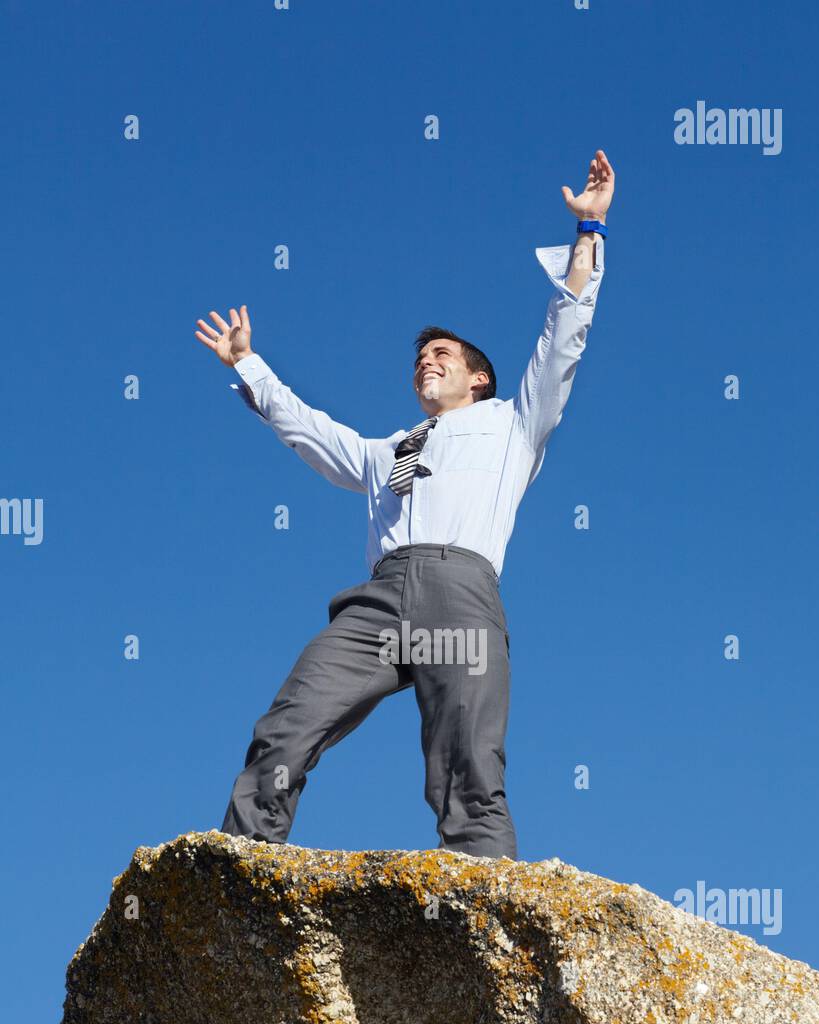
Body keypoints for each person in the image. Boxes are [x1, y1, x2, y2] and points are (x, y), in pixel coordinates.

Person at [194, 149, 615, 860]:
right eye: (421, 357)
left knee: (467, 764)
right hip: (380, 603)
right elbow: (310, 430)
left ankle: (483, 902)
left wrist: (590, 233)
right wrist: (248, 364)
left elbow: (563, 338)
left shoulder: (514, 423)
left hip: (460, 592)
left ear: (480, 378)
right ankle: (237, 867)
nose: (428, 361)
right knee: (290, 721)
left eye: (444, 353)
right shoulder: (393, 448)